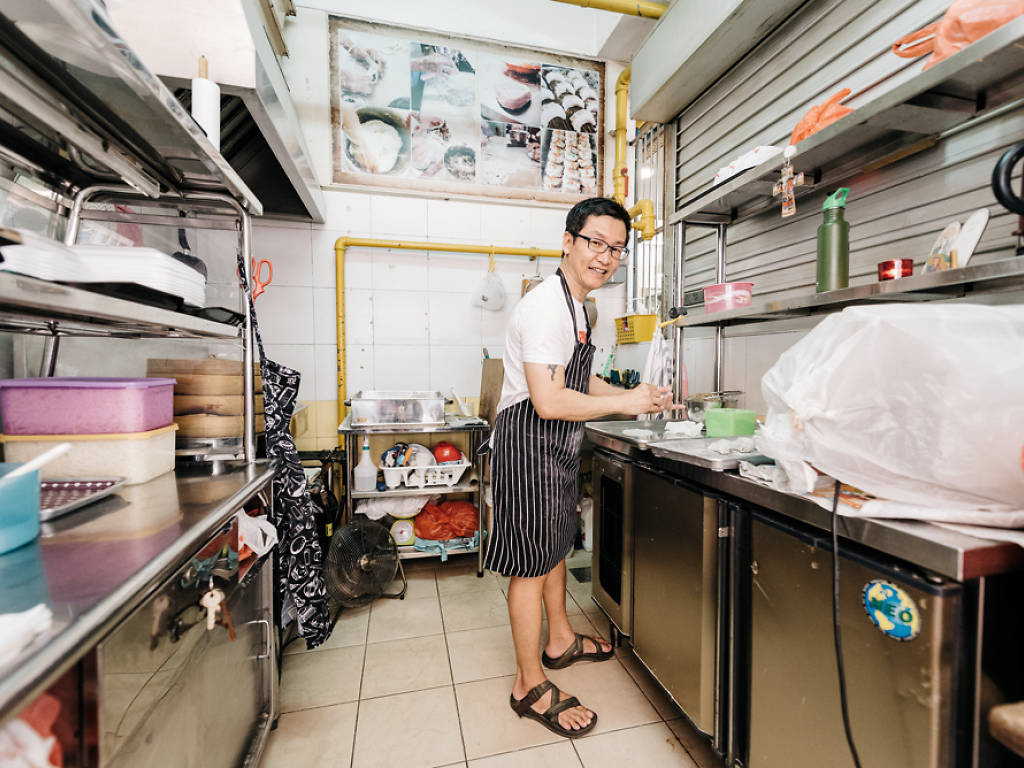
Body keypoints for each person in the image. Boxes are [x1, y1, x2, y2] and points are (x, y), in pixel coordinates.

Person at [484, 197, 678, 738]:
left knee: (553, 549)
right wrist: (625, 405)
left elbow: (576, 380)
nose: (605, 256)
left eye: (616, 248)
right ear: (568, 241)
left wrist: (631, 392)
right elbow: (548, 399)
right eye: (595, 242)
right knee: (529, 564)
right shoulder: (548, 307)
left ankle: (560, 640)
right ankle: (527, 684)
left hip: (556, 444)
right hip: (529, 442)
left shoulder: (579, 306)